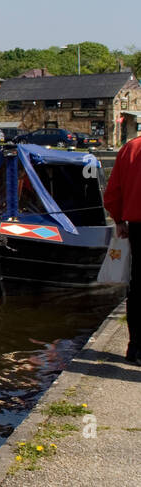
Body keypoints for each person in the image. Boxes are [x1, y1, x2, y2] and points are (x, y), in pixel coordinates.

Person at [103, 134, 141, 362]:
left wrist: (118, 220)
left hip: (137, 226)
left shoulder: (131, 148)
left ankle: (136, 346)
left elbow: (113, 192)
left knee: (137, 287)